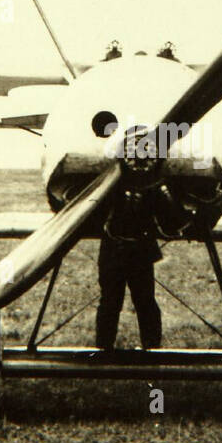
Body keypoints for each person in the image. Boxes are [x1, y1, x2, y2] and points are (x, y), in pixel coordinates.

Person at [95, 129, 163, 350]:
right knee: (111, 303)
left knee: (144, 303)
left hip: (136, 250)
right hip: (116, 250)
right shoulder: (111, 184)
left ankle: (152, 349)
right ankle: (103, 350)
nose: (138, 155)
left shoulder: (154, 187)